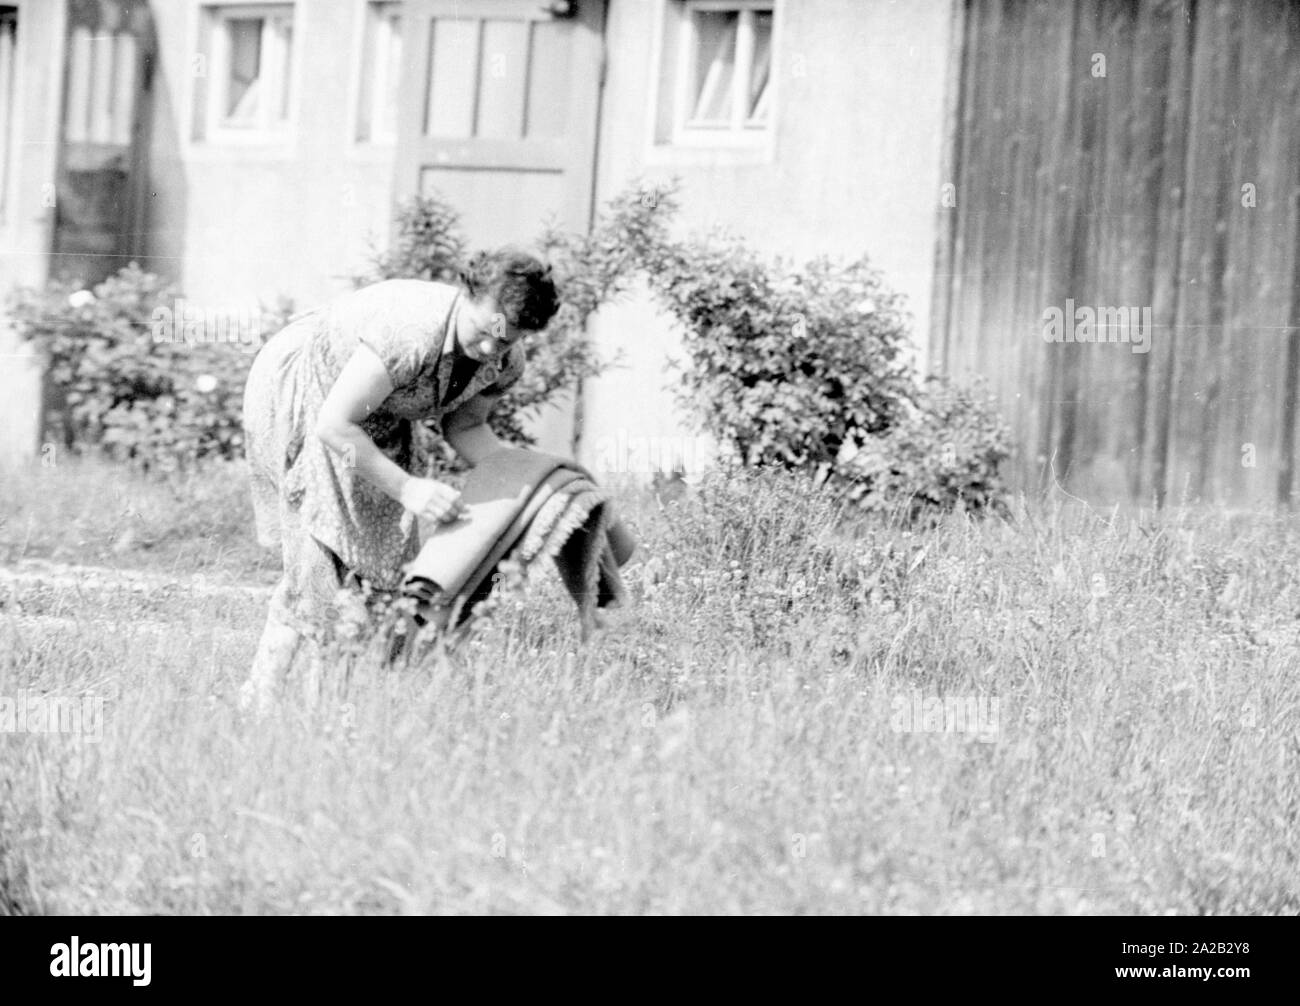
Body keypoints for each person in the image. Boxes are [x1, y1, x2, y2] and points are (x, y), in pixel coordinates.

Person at [237, 248, 561, 711]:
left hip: (375, 416)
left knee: (380, 566)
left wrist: (527, 482)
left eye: (507, 340)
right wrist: (407, 488)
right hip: (309, 392)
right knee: (321, 559)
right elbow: (334, 426)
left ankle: (279, 703)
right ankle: (285, 709)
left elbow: (466, 427)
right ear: (467, 294)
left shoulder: (503, 361)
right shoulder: (410, 332)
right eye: (486, 332)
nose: (493, 349)